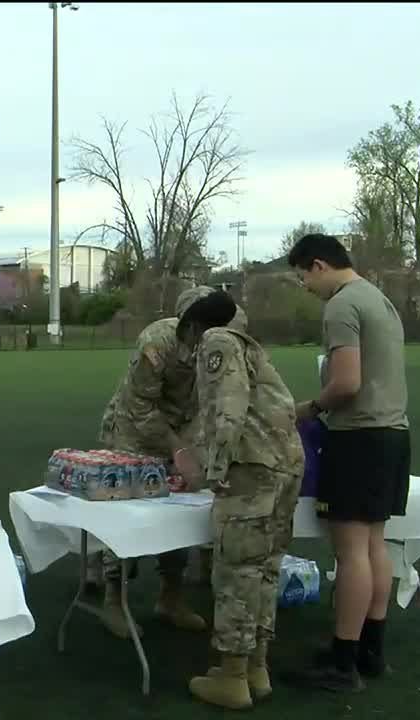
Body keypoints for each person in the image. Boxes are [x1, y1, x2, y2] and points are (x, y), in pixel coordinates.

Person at [283, 233, 410, 692]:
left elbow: (347, 382)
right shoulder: (378, 298)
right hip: (393, 435)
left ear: (319, 266)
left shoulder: (341, 305)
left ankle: (342, 663)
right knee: (375, 547)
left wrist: (309, 408)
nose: (305, 287)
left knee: (351, 551)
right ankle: (368, 649)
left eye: (303, 276)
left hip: (358, 437)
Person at [174, 290, 303, 709]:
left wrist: (214, 470)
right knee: (265, 569)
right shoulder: (250, 348)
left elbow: (229, 407)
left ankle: (232, 677)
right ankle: (256, 668)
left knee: (235, 572)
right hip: (284, 465)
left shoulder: (217, 343)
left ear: (194, 327)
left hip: (251, 468)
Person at [93, 285, 224, 638]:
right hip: (135, 429)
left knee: (182, 506)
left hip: (184, 426)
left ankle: (171, 596)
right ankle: (113, 597)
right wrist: (176, 448)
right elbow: (139, 408)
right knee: (124, 508)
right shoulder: (157, 342)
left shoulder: (223, 338)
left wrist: (194, 449)